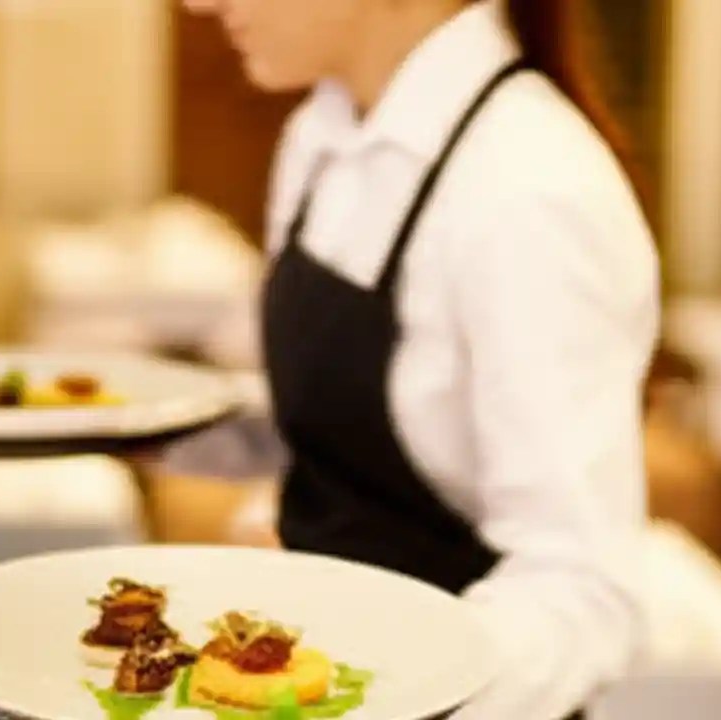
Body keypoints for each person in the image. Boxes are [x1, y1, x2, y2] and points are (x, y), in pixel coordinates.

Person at [182, 0, 660, 717]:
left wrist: (357, 698)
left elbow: (580, 592)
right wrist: (176, 427)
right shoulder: (324, 132)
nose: (198, 3)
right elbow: (352, 427)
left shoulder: (527, 190)